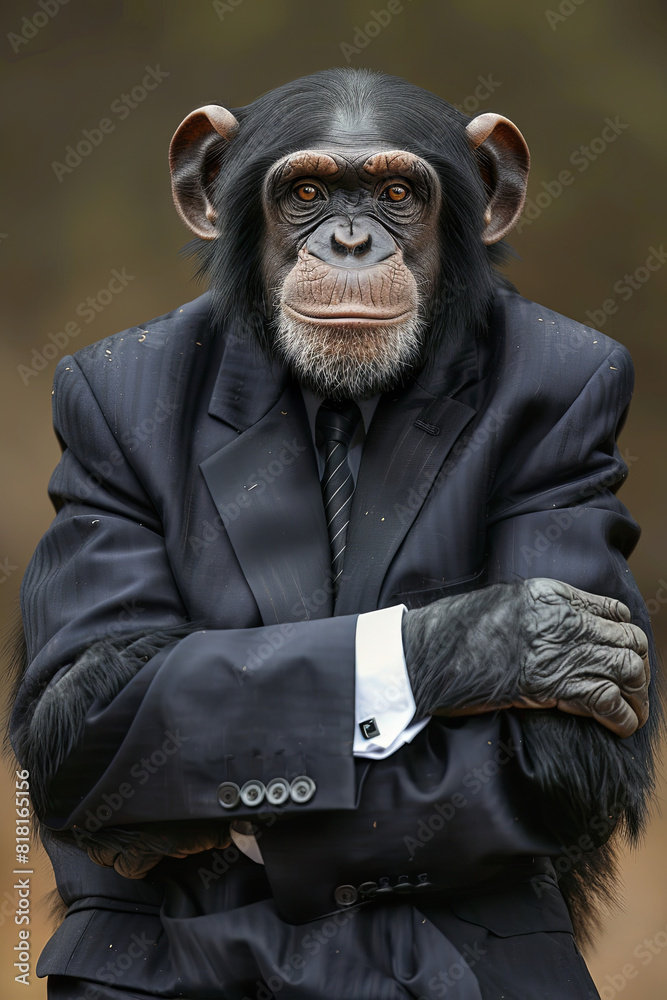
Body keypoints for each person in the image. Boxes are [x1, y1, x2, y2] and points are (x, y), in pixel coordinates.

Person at [10, 70, 657, 1000]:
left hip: (456, 967)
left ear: (486, 197)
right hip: (167, 969)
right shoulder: (125, 394)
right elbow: (78, 754)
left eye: (395, 197)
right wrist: (425, 656)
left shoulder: (553, 381)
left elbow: (564, 774)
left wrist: (220, 800)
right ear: (209, 189)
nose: (349, 241)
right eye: (307, 196)